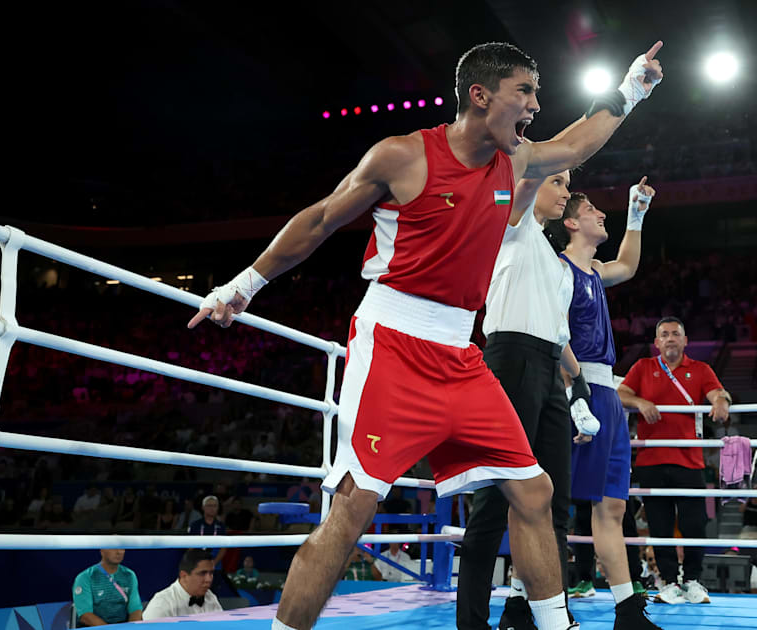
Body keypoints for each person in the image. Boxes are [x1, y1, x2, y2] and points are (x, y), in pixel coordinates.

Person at [189, 40, 665, 630]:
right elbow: (321, 218)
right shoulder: (403, 156)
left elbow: (577, 142)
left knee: (534, 491)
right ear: (480, 95)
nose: (536, 106)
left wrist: (632, 88)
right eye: (525, 91)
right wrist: (245, 285)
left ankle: (555, 624)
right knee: (353, 509)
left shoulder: (514, 161)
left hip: (461, 353)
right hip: (393, 340)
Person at [456, 167, 600, 630]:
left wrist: (578, 385)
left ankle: (545, 615)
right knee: (495, 500)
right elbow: (518, 186)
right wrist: (536, 165)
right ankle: (472, 622)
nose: (565, 191)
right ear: (533, 182)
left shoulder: (554, 262)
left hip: (549, 369)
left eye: (566, 183)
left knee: (554, 501)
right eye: (557, 181)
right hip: (510, 359)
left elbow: (559, 333)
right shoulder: (511, 224)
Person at [547, 173, 664, 621]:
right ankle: (531, 600)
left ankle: (627, 609)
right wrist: (573, 394)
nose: (600, 213)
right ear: (572, 223)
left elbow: (628, 266)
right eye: (591, 210)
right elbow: (555, 337)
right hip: (577, 389)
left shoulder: (595, 270)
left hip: (608, 393)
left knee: (613, 504)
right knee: (550, 502)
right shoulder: (558, 270)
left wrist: (637, 213)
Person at [618, 316, 732, 605]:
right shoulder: (643, 367)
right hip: (651, 460)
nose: (670, 338)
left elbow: (718, 393)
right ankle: (669, 582)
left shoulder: (701, 369)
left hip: (689, 460)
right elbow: (620, 394)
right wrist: (640, 402)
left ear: (685, 340)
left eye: (675, 334)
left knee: (695, 524)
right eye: (665, 334)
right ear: (657, 342)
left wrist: (721, 403)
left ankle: (693, 580)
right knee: (660, 525)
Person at [142, 549, 223, 620]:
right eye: (202, 573)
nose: (209, 579)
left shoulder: (210, 597)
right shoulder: (162, 604)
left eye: (211, 573)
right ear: (184, 576)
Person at [72, 549, 143, 625]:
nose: (118, 552)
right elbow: (85, 615)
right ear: (102, 550)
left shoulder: (129, 575)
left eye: (122, 548)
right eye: (113, 548)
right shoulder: (85, 577)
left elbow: (135, 610)